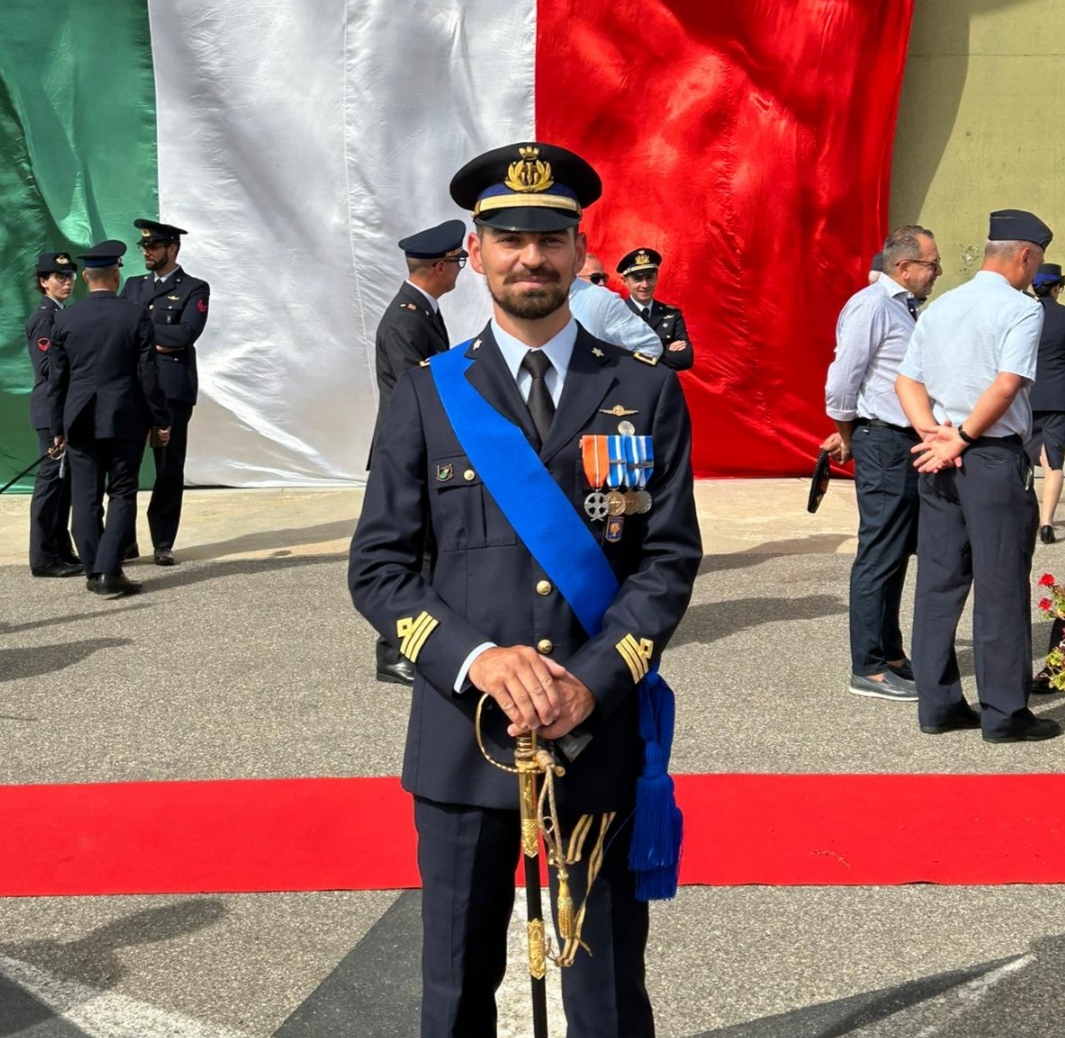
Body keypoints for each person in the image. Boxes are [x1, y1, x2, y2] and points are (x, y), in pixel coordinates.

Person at [349, 141, 701, 1037]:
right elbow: (380, 569)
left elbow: (666, 561)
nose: (531, 257)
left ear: (580, 250)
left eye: (550, 237)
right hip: (465, 741)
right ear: (475, 253)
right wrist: (478, 660)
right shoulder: (427, 395)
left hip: (596, 734)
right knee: (455, 987)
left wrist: (591, 678)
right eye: (509, 237)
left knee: (606, 992)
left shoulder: (645, 392)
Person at [895, 209, 1062, 742]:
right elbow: (1008, 383)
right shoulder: (1020, 308)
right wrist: (963, 438)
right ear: (1026, 257)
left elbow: (906, 381)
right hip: (986, 455)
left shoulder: (942, 305)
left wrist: (934, 437)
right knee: (1000, 585)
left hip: (939, 456)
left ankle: (938, 705)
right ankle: (1005, 714)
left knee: (939, 584)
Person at [823, 225, 941, 701]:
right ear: (904, 267)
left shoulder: (903, 307)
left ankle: (889, 653)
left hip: (900, 441)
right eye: (931, 264)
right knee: (879, 553)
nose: (937, 272)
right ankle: (867, 666)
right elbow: (842, 379)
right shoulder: (872, 305)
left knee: (895, 552)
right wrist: (849, 436)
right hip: (883, 440)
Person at [367, 219, 467, 686]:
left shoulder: (421, 310)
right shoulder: (408, 318)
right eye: (458, 261)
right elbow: (421, 392)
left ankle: (412, 643)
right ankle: (394, 650)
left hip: (418, 445)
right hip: (407, 449)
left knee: (426, 547)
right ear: (439, 266)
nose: (461, 269)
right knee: (411, 551)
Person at [48, 240, 171, 598]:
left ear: (86, 277)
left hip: (80, 417)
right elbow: (148, 375)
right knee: (121, 492)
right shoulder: (135, 315)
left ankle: (92, 568)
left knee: (84, 495)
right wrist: (160, 419)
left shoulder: (65, 318)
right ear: (116, 275)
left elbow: (58, 381)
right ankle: (107, 571)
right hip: (124, 416)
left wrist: (58, 428)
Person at [120, 219, 210, 566]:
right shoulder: (132, 286)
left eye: (154, 247)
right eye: (144, 247)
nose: (147, 252)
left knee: (169, 469)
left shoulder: (193, 288)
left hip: (172, 390)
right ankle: (124, 540)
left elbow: (185, 335)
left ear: (172, 249)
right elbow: (123, 333)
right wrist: (156, 339)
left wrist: (142, 336)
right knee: (124, 467)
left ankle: (162, 540)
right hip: (133, 388)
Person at [25, 251, 81, 578]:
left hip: (63, 410)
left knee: (64, 485)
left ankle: (61, 549)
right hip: (51, 411)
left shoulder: (62, 314)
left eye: (70, 276)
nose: (66, 282)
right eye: (59, 277)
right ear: (43, 282)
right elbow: (46, 367)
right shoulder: (45, 318)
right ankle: (44, 557)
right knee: (49, 484)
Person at [1027, 262, 1065, 543]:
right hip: (1058, 399)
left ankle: (1021, 512)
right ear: (1057, 288)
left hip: (1023, 397)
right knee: (1053, 461)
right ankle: (1046, 522)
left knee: (1019, 458)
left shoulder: (1023, 315)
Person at [570, 253, 663, 360]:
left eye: (604, 278)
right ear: (575, 278)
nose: (601, 283)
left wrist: (613, 369)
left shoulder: (607, 302)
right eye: (595, 278)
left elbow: (651, 345)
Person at [617, 248, 694, 370]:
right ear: (625, 281)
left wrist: (635, 354)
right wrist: (665, 352)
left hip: (662, 387)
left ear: (657, 277)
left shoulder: (672, 314)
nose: (645, 285)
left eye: (649, 278)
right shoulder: (617, 314)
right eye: (638, 279)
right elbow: (615, 358)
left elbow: (685, 359)